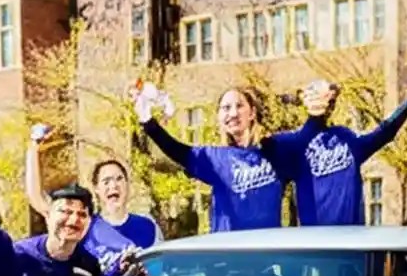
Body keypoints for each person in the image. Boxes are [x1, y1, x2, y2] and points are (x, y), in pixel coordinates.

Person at [132, 83, 331, 231]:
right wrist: (148, 122)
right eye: (226, 108)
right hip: (227, 259)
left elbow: (304, 138)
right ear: (220, 117)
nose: (233, 113)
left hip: (267, 256)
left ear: (252, 113)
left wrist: (316, 114)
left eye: (239, 106)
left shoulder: (275, 149)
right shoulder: (215, 159)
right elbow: (177, 151)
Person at [286, 66, 407, 225]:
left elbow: (384, 132)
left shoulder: (345, 138)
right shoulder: (296, 146)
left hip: (352, 240)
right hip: (316, 242)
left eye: (330, 102)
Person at [25, 125, 138, 276]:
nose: (113, 186)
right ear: (96, 188)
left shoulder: (147, 226)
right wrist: (33, 149)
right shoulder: (83, 223)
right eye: (106, 181)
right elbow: (36, 197)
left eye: (119, 179)